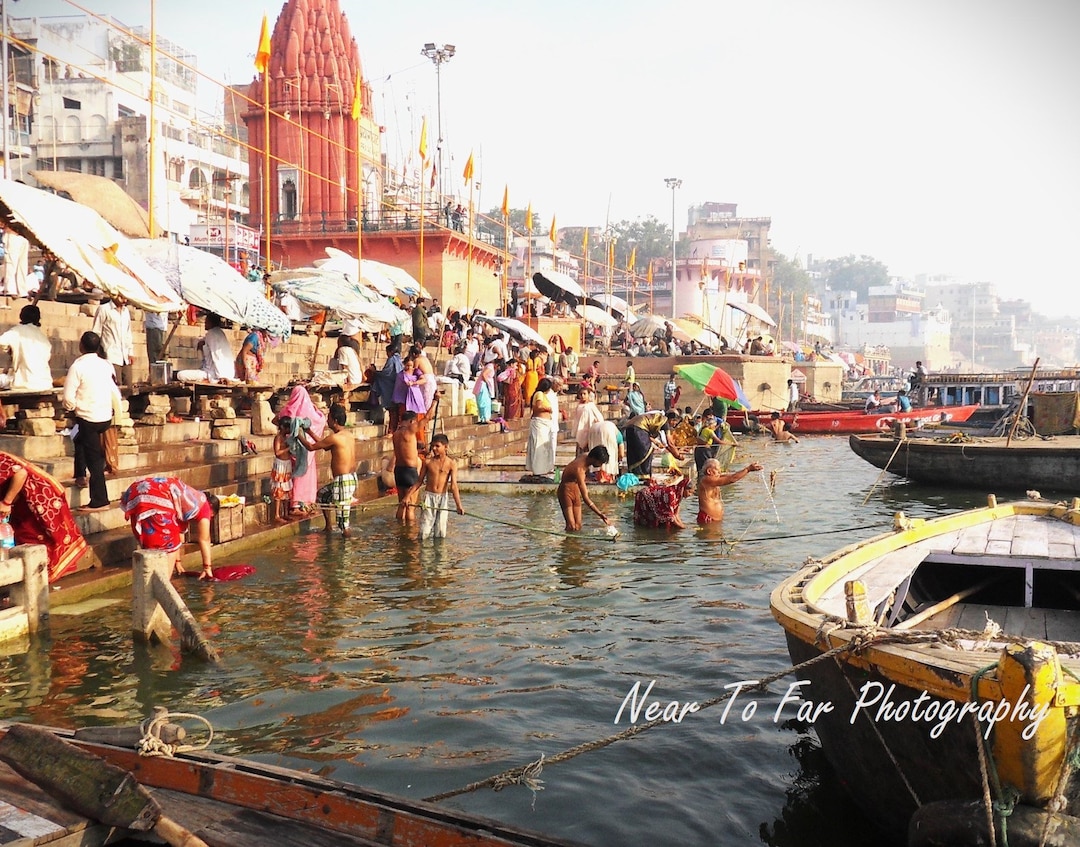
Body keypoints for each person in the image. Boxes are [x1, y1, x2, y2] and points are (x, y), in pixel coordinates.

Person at [0, 452, 87, 581]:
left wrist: (6, 502)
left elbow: (21, 473)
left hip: (40, 497)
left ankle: (38, 581)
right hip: (22, 502)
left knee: (36, 539)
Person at [63, 331, 121, 511]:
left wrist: (70, 408)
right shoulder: (106, 364)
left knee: (94, 460)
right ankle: (79, 474)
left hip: (88, 417)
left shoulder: (77, 366)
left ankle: (99, 500)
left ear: (81, 346)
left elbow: (68, 397)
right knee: (78, 437)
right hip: (105, 416)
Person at [121, 476, 214, 579]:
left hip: (136, 490)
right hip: (156, 494)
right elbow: (204, 539)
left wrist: (177, 562)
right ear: (212, 511)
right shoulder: (204, 507)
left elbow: (178, 536)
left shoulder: (188, 498)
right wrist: (207, 567)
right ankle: (164, 584)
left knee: (151, 548)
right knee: (168, 548)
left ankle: (150, 585)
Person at [300, 404, 358, 537]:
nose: (327, 421)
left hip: (343, 481)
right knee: (323, 495)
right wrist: (309, 432)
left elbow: (310, 447)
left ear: (335, 421)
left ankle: (346, 550)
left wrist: (297, 434)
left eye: (329, 418)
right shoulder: (348, 435)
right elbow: (324, 445)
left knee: (343, 523)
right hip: (350, 479)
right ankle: (328, 527)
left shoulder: (335, 438)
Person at [277, 385, 326, 516]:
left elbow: (277, 420)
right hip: (303, 449)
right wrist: (317, 409)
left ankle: (296, 504)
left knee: (296, 475)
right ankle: (299, 504)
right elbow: (320, 420)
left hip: (293, 450)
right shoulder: (310, 411)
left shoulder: (288, 409)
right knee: (303, 476)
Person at [410, 433, 465, 540]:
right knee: (424, 530)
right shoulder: (428, 462)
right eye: (433, 446)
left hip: (443, 498)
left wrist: (459, 505)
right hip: (429, 498)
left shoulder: (451, 463)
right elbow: (419, 481)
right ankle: (424, 554)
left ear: (445, 447)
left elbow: (454, 486)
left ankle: (439, 554)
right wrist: (408, 496)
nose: (434, 448)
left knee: (440, 531)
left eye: (437, 446)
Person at [557, 446, 611, 532]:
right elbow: (586, 499)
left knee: (578, 526)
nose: (600, 465)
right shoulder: (579, 470)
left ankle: (576, 545)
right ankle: (567, 544)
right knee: (571, 526)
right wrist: (600, 514)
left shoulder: (586, 455)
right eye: (600, 462)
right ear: (594, 458)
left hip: (575, 489)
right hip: (565, 491)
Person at [0, 304, 53, 390]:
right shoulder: (43, 338)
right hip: (45, 383)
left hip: (24, 383)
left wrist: (9, 349)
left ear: (21, 317)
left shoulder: (17, 331)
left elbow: (1, 342)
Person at [696, 459, 763, 524]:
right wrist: (748, 469)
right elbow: (732, 479)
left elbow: (732, 476)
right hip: (708, 519)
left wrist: (748, 470)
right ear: (709, 471)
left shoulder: (715, 479)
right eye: (718, 471)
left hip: (714, 520)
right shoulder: (706, 480)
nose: (720, 473)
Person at [624, 410, 686, 477]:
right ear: (672, 420)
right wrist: (678, 455)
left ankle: (634, 474)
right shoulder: (665, 421)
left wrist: (657, 443)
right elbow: (669, 443)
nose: (674, 425)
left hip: (630, 427)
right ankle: (644, 475)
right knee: (647, 450)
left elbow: (650, 437)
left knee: (634, 452)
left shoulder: (658, 419)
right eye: (675, 423)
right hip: (638, 428)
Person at [91, 294, 133, 386]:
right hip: (110, 355)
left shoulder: (126, 311)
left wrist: (130, 351)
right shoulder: (104, 309)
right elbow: (96, 332)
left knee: (128, 386)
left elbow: (128, 332)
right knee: (115, 386)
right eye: (121, 297)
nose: (124, 300)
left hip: (125, 356)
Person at [392, 410, 422, 523]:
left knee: (401, 504)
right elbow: (427, 417)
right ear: (411, 421)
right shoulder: (409, 430)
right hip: (410, 471)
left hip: (398, 471)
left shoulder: (396, 433)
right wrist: (434, 401)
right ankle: (410, 534)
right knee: (410, 506)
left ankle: (400, 530)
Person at [525, 377, 556, 477]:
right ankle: (538, 470)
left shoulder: (543, 395)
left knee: (544, 446)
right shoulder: (539, 394)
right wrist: (548, 408)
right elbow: (538, 407)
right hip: (539, 423)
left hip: (545, 424)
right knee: (539, 446)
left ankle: (543, 468)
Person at [196, 313, 235, 382]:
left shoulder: (211, 333)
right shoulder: (220, 333)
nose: (205, 323)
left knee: (180, 375)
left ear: (211, 322)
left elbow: (217, 355)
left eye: (206, 321)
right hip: (227, 373)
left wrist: (221, 376)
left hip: (214, 374)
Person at [269, 416, 294, 522]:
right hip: (280, 465)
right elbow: (277, 452)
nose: (289, 430)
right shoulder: (278, 438)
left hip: (287, 464)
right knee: (279, 489)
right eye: (288, 428)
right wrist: (288, 448)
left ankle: (285, 513)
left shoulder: (287, 438)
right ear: (283, 427)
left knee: (287, 489)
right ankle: (277, 515)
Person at [569, 387, 604, 454]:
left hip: (589, 431)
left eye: (584, 394)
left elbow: (600, 418)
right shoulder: (578, 406)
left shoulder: (591, 406)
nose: (583, 396)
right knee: (580, 451)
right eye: (581, 394)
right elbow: (577, 420)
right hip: (580, 432)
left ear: (588, 395)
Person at [144, 310, 169, 378]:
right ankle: (155, 378)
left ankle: (162, 377)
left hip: (163, 327)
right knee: (154, 357)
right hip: (153, 327)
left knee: (164, 355)